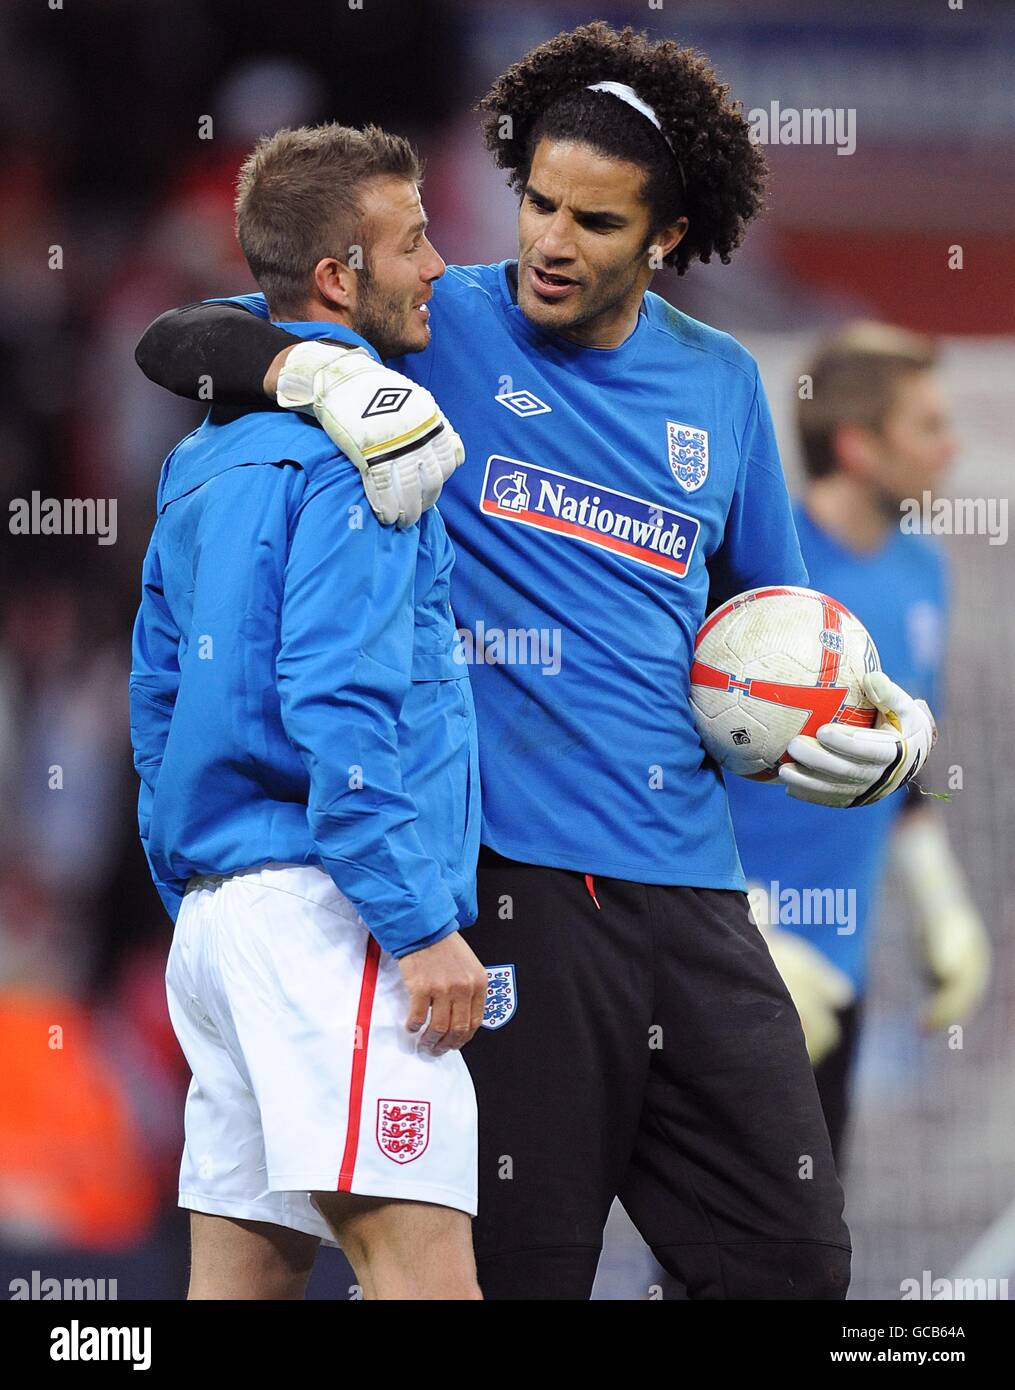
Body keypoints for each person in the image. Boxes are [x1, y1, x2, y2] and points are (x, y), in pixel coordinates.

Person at [135, 23, 937, 1300]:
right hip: (511, 897)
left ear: (666, 238)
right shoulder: (426, 320)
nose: (550, 242)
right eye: (537, 203)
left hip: (693, 894)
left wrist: (872, 709)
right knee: (504, 1277)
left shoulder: (722, 383)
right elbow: (178, 338)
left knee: (793, 1268)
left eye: (597, 222)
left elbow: (778, 614)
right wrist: (313, 376)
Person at [129, 122, 489, 1300]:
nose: (439, 263)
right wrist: (417, 917)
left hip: (223, 927)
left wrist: (197, 889)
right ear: (340, 276)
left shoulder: (206, 451)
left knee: (237, 1288)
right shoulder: (369, 448)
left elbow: (158, 694)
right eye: (415, 239)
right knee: (425, 1278)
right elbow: (341, 701)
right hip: (330, 916)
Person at [727, 323, 990, 1164]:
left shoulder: (923, 572)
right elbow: (669, 764)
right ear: (857, 445)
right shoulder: (761, 583)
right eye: (925, 427)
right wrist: (749, 926)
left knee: (801, 1244)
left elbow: (908, 770)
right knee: (718, 1240)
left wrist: (941, 904)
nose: (949, 449)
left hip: (835, 973)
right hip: (727, 956)